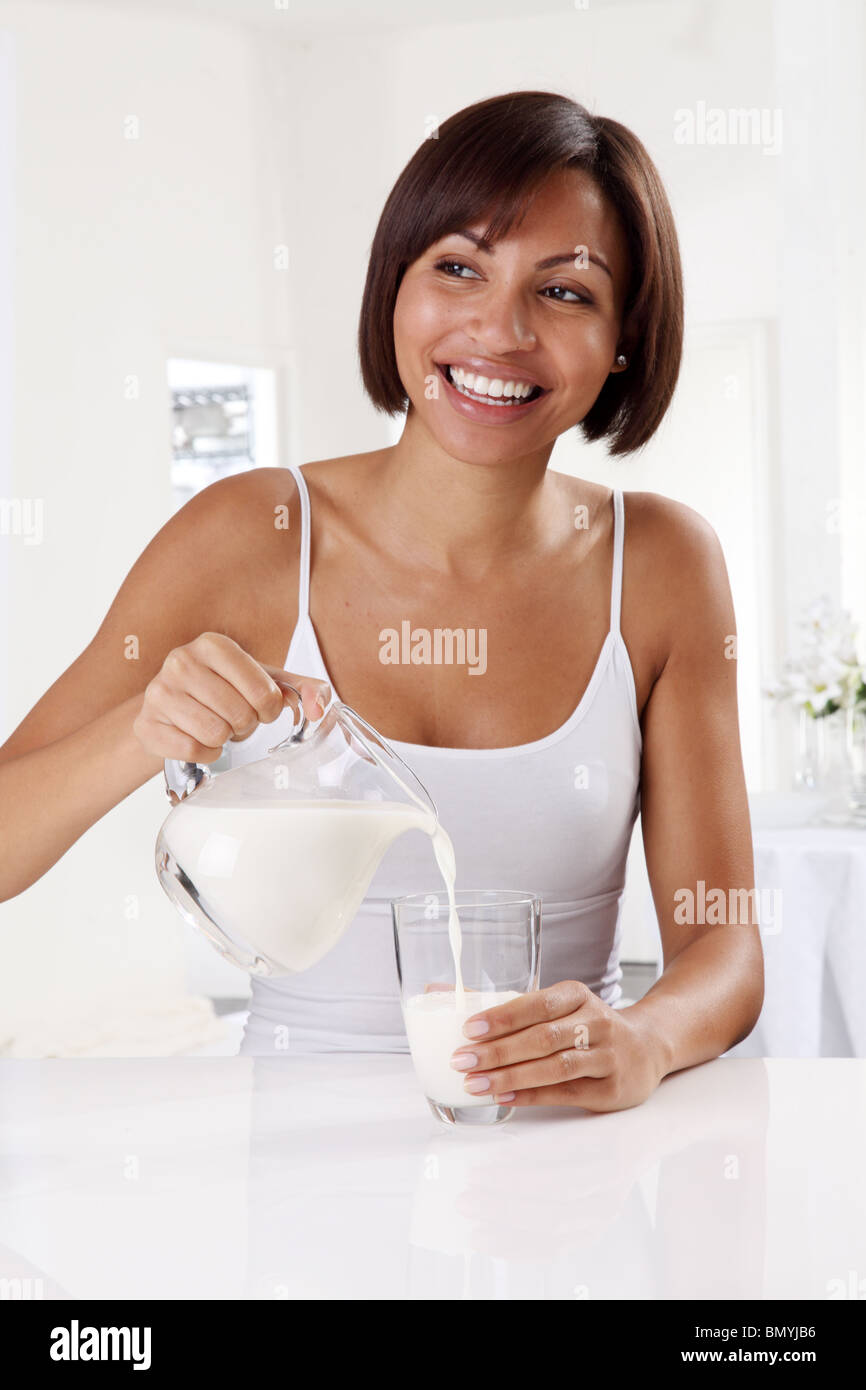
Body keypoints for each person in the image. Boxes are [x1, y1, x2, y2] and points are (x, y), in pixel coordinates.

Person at [0, 91, 762, 1110]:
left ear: (624, 335)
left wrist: (640, 1038)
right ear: (393, 291)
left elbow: (722, 941)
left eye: (565, 293)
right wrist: (144, 734)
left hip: (564, 1154)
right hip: (295, 1163)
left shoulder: (662, 563)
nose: (498, 329)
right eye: (456, 267)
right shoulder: (252, 535)